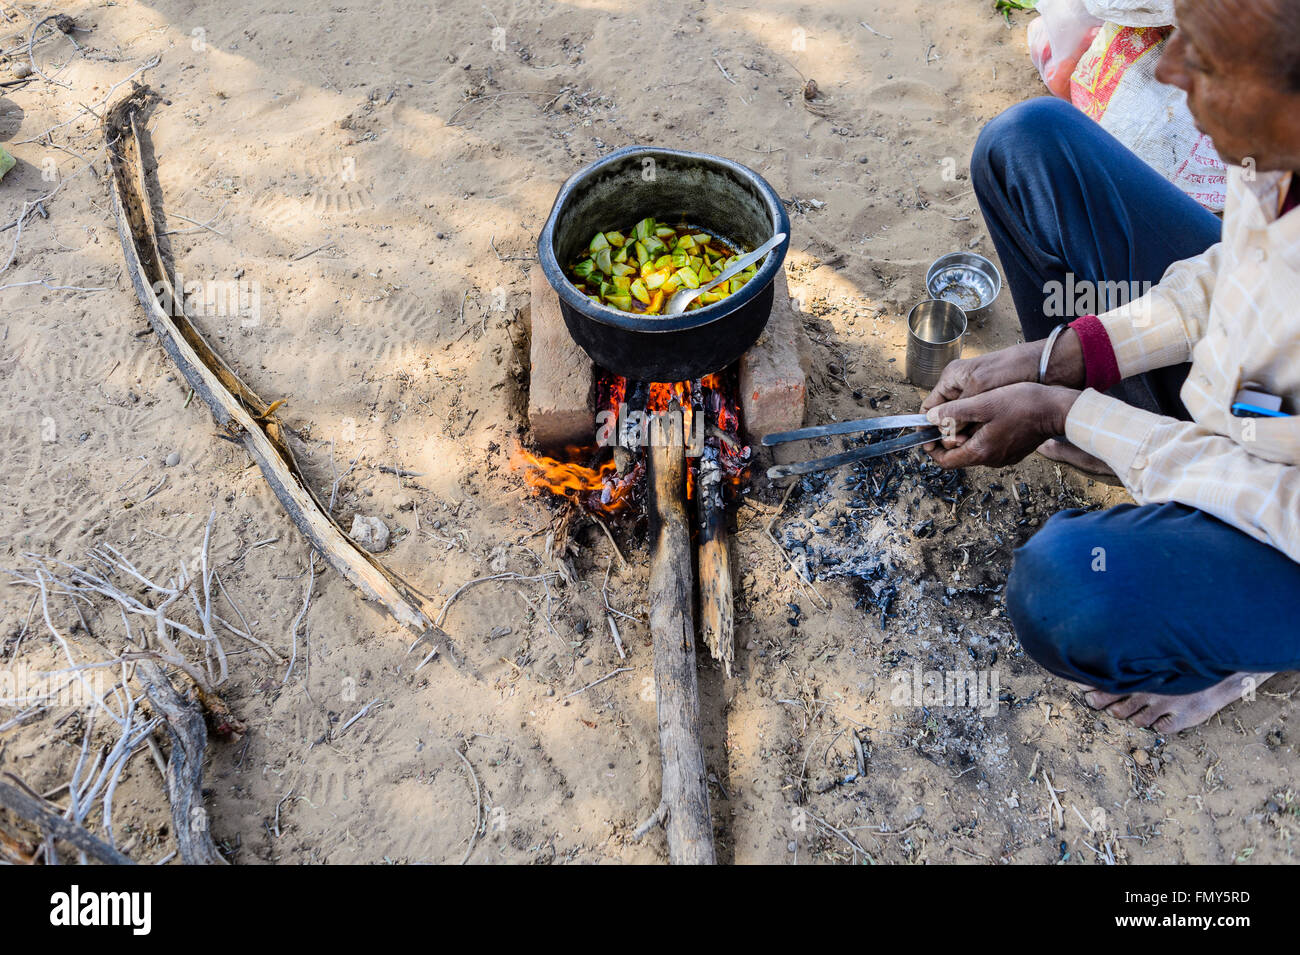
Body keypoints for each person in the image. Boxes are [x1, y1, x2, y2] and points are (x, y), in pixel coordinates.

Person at [921, 0, 1300, 733]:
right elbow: (1228, 274)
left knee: (1065, 587)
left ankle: (1233, 639)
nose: (1169, 67)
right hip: (1256, 409)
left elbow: (1280, 496)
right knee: (1026, 143)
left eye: (1208, 61)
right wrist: (1062, 355)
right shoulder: (1275, 142)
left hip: (1285, 518)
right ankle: (1120, 449)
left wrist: (1070, 412)